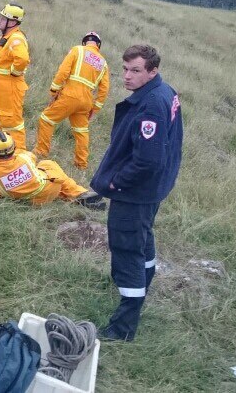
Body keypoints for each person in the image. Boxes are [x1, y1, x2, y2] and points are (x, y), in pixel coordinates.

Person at [90, 45, 183, 342]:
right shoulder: (166, 91)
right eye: (125, 69)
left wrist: (117, 182)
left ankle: (123, 327)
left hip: (134, 192)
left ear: (153, 71)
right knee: (143, 240)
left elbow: (148, 160)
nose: (127, 76)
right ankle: (143, 285)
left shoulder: (151, 105)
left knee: (127, 250)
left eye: (136, 71)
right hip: (152, 190)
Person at [34, 31, 111, 168]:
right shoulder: (103, 63)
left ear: (85, 42)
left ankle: (41, 152)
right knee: (81, 131)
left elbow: (63, 72)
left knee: (46, 119)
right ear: (98, 45)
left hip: (70, 96)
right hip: (86, 102)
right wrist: (95, 109)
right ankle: (81, 164)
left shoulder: (77, 50)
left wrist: (53, 91)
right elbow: (104, 89)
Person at [0, 131, 104, 208]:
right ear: (13, 147)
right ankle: (79, 193)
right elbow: (34, 158)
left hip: (31, 201)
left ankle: (76, 198)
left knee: (47, 178)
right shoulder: (24, 157)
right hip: (50, 189)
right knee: (47, 164)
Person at [0, 3, 31, 150]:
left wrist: (15, 72)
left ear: (12, 22)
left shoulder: (15, 39)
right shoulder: (6, 37)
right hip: (1, 91)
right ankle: (2, 148)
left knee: (12, 123)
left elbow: (23, 59)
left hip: (10, 91)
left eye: (3, 18)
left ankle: (19, 154)